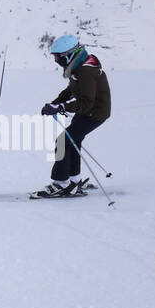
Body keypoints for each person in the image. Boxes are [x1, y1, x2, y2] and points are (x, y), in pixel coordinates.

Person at [34, 34, 111, 198]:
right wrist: (55, 103)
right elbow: (71, 90)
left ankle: (61, 183)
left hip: (94, 113)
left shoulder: (85, 71)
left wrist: (61, 107)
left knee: (63, 141)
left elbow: (86, 103)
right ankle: (73, 180)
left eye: (58, 57)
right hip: (88, 111)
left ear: (68, 54)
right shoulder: (79, 66)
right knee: (72, 140)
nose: (56, 60)